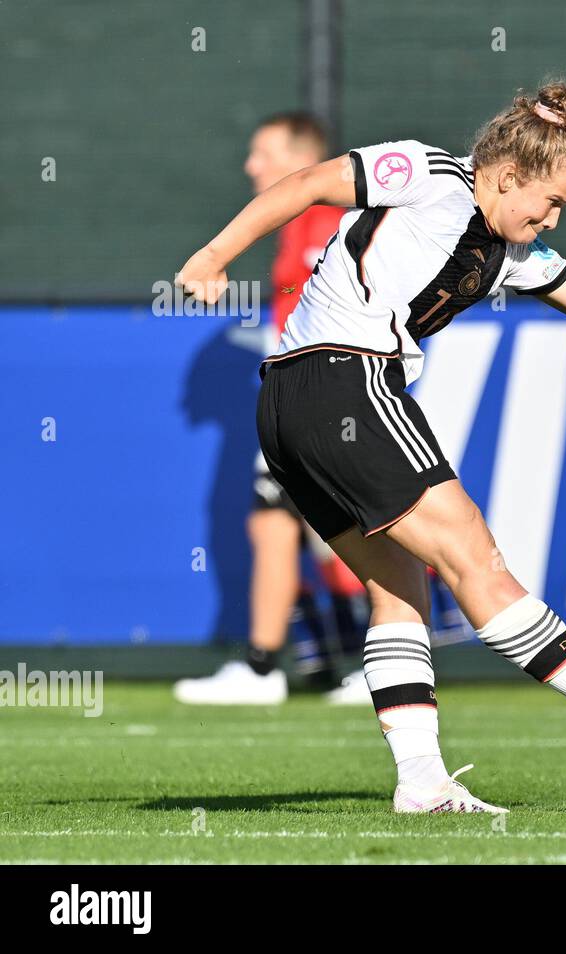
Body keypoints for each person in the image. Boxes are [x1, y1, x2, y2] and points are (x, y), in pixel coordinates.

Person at [177, 82, 566, 814]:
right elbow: (310, 183)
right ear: (506, 174)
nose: (552, 218)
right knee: (472, 551)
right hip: (345, 376)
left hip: (286, 405)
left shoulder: (507, 251)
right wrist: (213, 256)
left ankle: (423, 783)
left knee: (400, 588)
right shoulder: (428, 173)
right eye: (549, 202)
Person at [174, 112, 368, 706]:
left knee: (357, 528)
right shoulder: (291, 225)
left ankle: (382, 658)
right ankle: (263, 668)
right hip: (292, 400)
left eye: (263, 153)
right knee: (274, 522)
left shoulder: (327, 218)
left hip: (335, 398)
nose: (250, 166)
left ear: (298, 159)